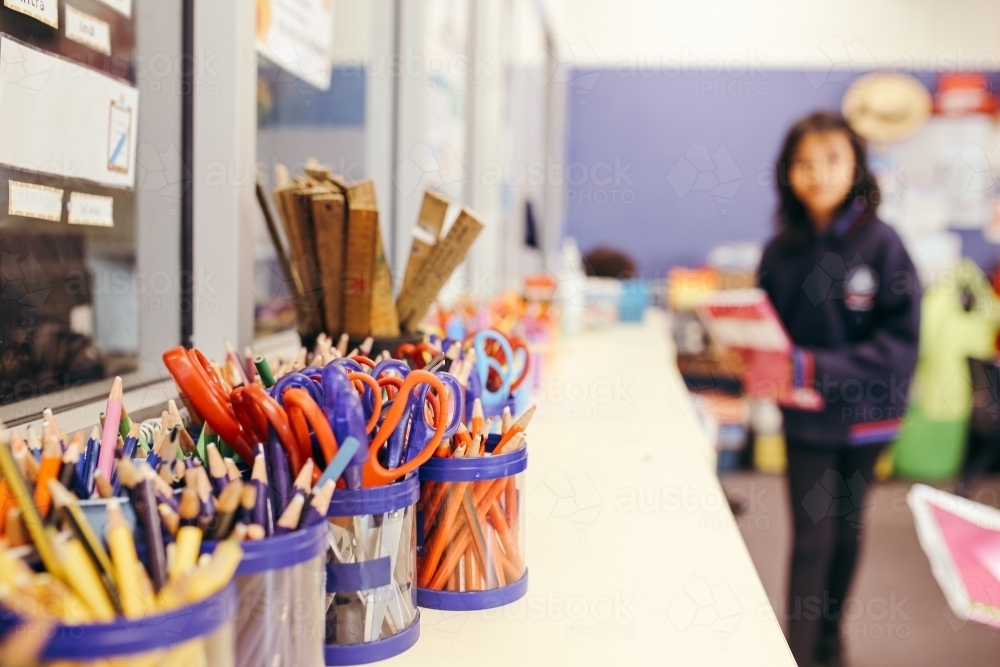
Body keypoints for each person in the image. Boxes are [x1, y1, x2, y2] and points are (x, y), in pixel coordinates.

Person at [757, 111, 921, 667]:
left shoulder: (884, 245)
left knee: (848, 531)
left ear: (857, 167)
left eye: (832, 160)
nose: (819, 173)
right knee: (812, 537)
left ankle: (831, 642)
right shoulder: (780, 251)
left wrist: (811, 365)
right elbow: (769, 334)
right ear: (788, 172)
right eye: (804, 163)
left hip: (869, 416)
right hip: (807, 416)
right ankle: (800, 653)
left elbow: (899, 345)